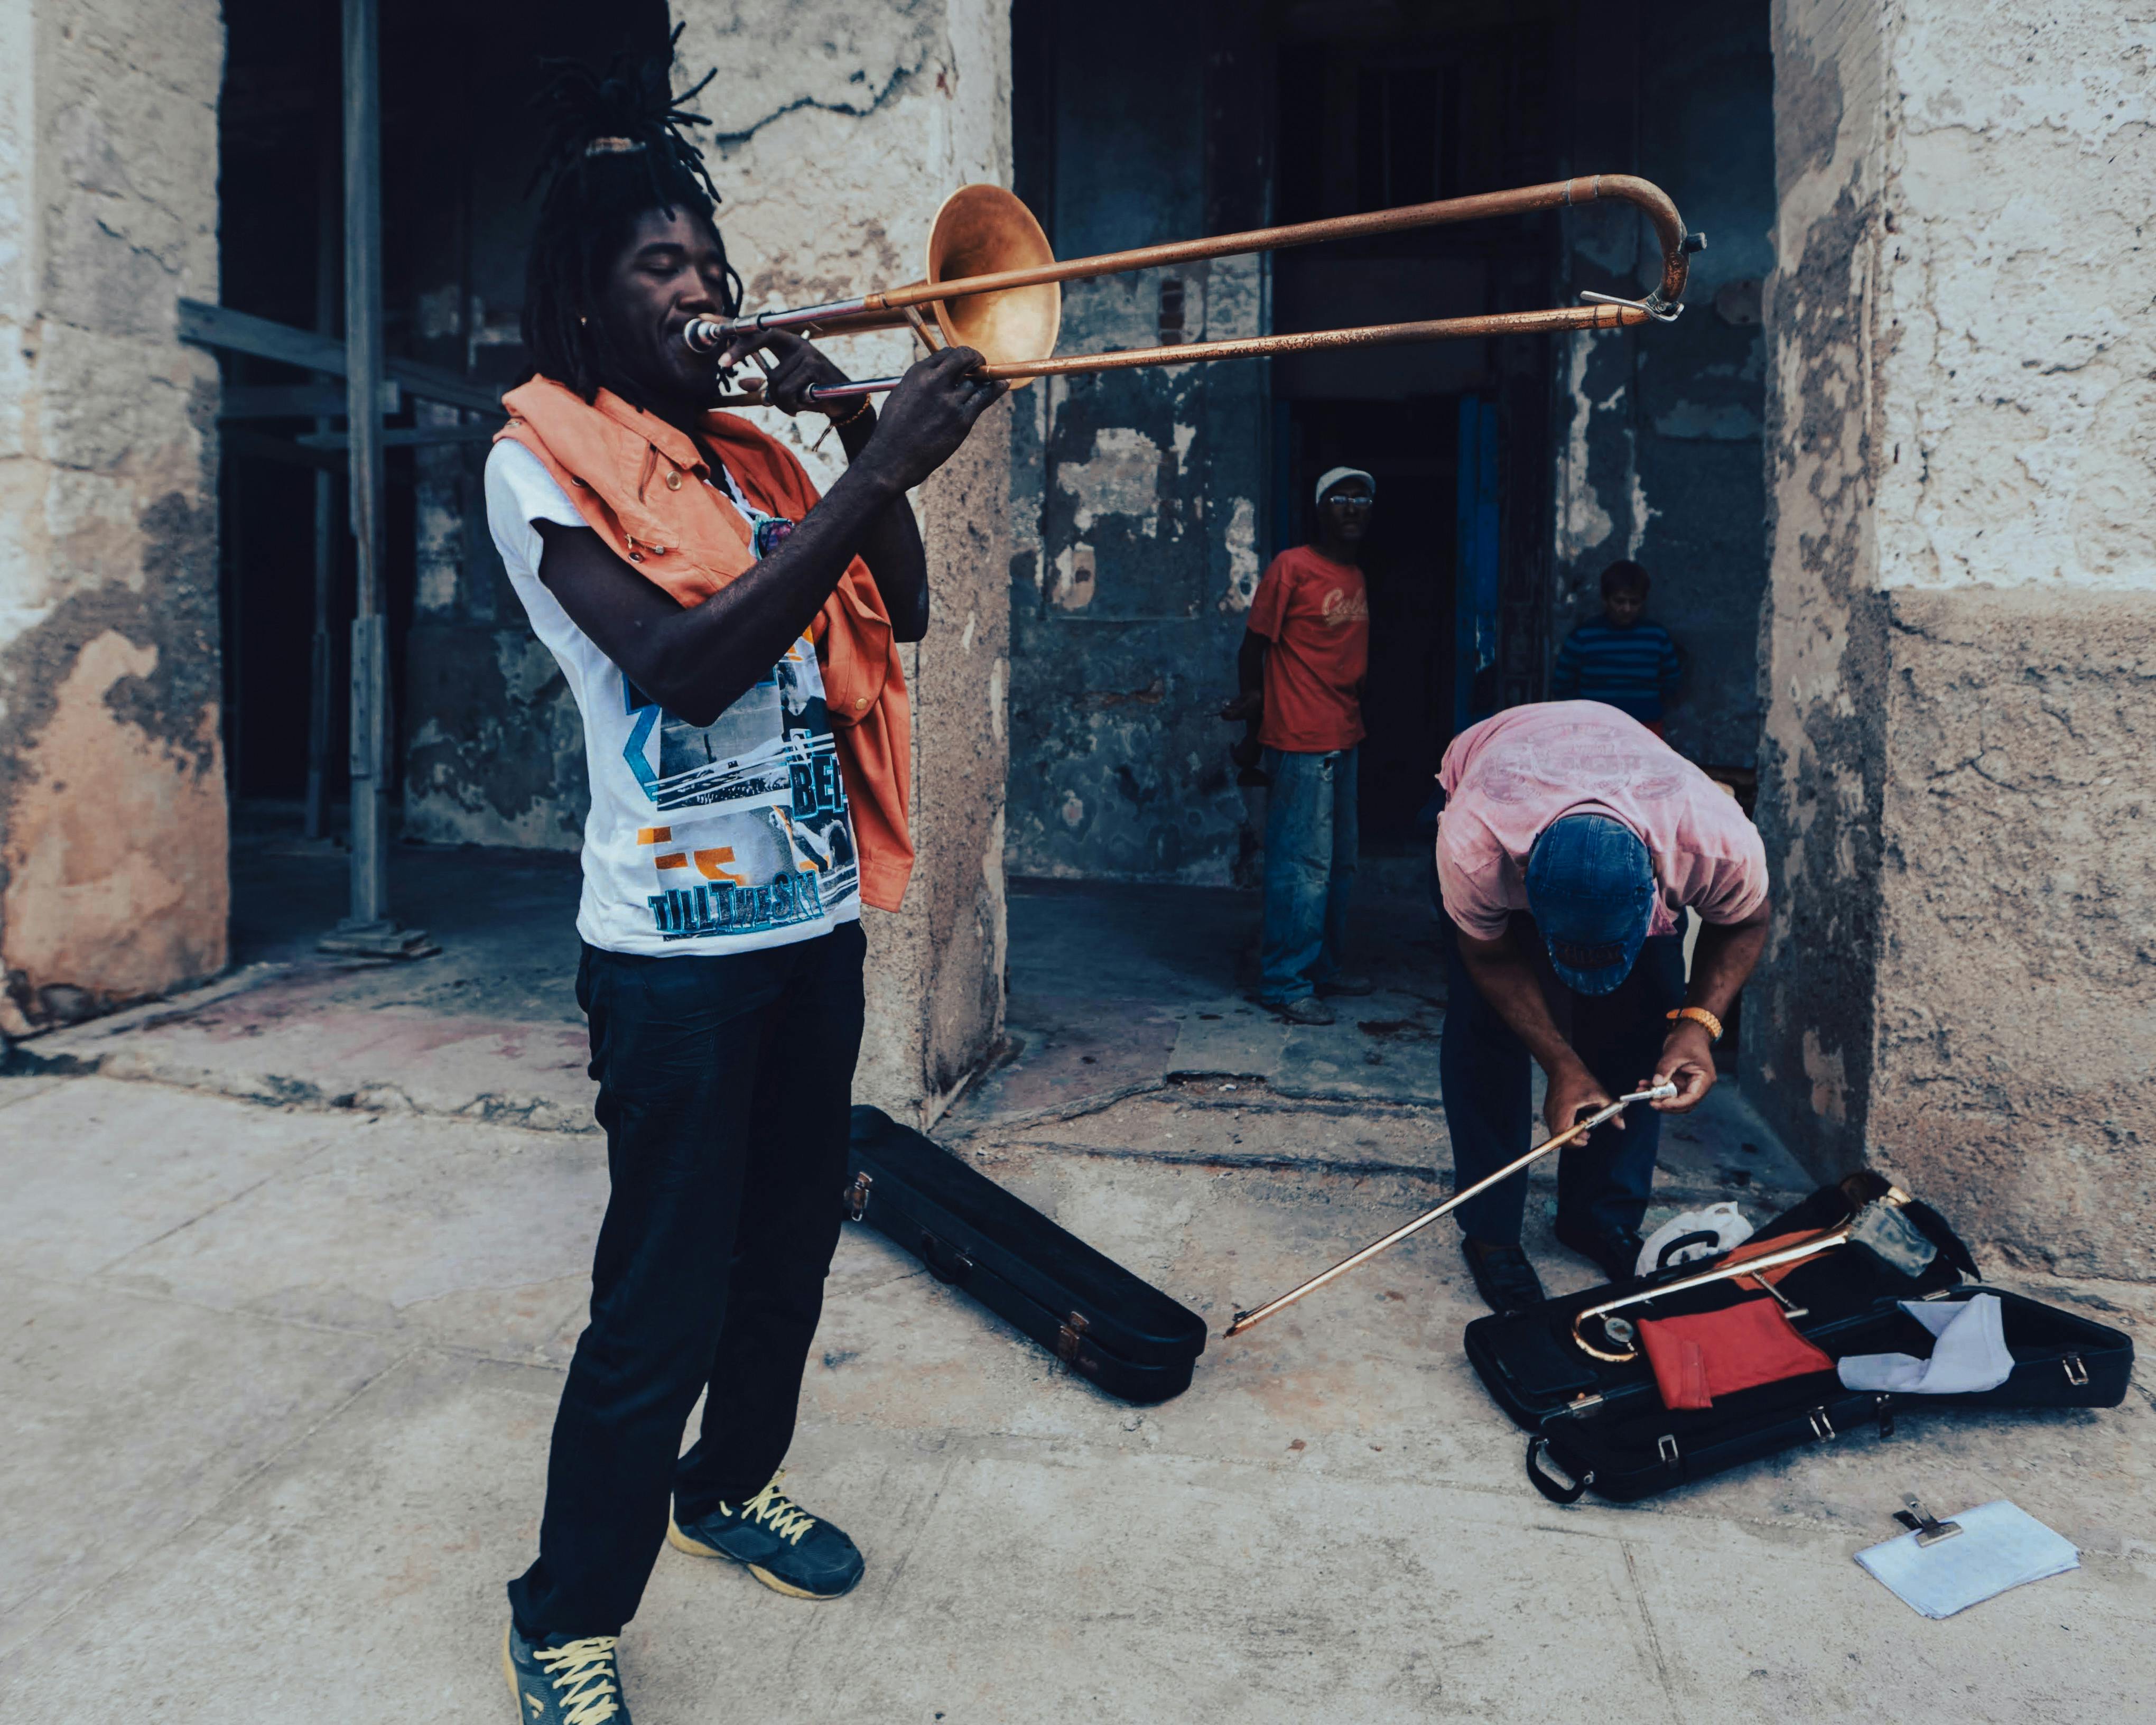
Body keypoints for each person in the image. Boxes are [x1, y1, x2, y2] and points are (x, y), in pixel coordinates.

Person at [484, 40, 1007, 1725]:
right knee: (660, 1293)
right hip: (669, 965)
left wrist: (849, 417)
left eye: (707, 262)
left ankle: (733, 1486)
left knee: (788, 1254)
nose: (700, 289)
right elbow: (684, 666)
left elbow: (902, 600)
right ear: (586, 294)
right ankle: (565, 1607)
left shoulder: (761, 455)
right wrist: (867, 469)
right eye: (662, 265)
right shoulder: (536, 465)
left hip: (810, 927)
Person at [1434, 700, 1770, 1314]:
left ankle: (1598, 1218)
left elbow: (1747, 922)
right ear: (1524, 883)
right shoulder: (1474, 845)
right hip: (1501, 758)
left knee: (1646, 1030)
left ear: (1656, 891)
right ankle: (1491, 1233)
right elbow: (1490, 957)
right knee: (1487, 1040)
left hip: (1632, 776)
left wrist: (1698, 1027)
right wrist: (1561, 1062)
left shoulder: (1713, 837)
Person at [1222, 468, 1376, 1025]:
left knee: (1341, 865)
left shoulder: (1354, 574)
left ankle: (1323, 969)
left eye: (1363, 498)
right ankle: (1285, 983)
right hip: (1300, 737)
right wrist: (1252, 720)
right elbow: (1253, 649)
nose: (1354, 507)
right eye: (1342, 497)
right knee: (1301, 867)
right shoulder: (1292, 568)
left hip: (1344, 732)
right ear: (1320, 507)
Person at [1549, 559, 1684, 736]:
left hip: (1645, 728)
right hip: (1593, 729)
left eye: (1634, 602)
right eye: (1619, 601)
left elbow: (1672, 680)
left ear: (1643, 602)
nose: (1626, 609)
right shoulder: (1583, 638)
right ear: (1606, 599)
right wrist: (1587, 712)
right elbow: (1561, 684)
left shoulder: (1657, 637)